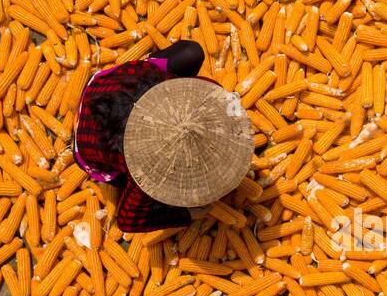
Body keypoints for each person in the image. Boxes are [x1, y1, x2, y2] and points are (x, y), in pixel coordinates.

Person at [73, 40, 253, 232]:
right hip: (88, 144)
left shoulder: (163, 81)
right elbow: (127, 222)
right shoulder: (146, 169)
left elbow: (216, 93)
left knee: (191, 52)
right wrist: (186, 215)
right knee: (161, 197)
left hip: (108, 89)